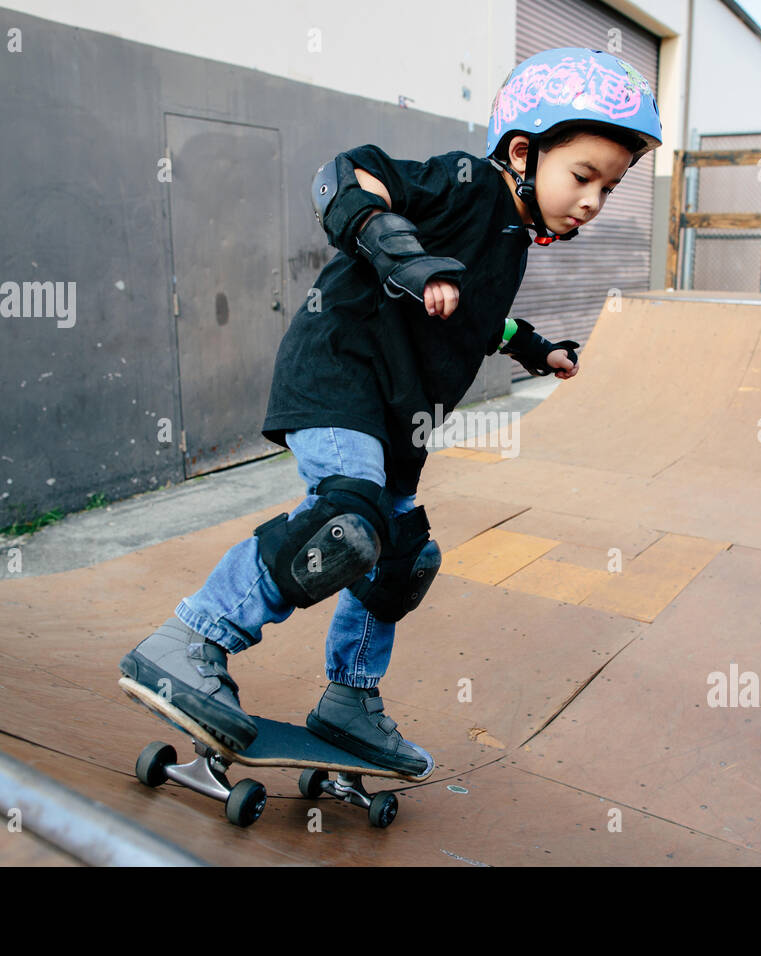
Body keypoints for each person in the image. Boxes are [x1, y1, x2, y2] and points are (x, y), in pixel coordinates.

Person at [120, 48, 663, 774]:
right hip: (343, 373)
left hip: (400, 415)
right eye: (583, 176)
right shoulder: (467, 184)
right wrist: (399, 248)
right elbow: (346, 174)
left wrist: (534, 347)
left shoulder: (510, 244)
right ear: (524, 152)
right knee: (349, 521)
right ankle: (191, 641)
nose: (594, 199)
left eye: (611, 187)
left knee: (403, 557)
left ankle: (349, 703)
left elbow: (479, 317)